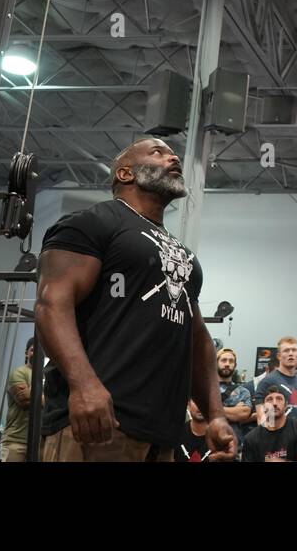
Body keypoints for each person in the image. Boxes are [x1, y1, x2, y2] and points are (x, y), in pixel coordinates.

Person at [36, 137, 234, 462]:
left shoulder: (183, 254)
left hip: (161, 434)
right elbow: (51, 304)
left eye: (173, 155)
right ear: (126, 174)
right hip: (100, 423)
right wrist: (83, 385)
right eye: (158, 153)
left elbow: (197, 339)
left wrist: (215, 415)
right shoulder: (94, 223)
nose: (173, 158)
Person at [254, 337, 297, 429]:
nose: (291, 353)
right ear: (279, 356)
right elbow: (263, 419)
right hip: (278, 439)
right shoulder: (267, 382)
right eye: (286, 350)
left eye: (294, 350)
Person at [242, 387, 297, 462]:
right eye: (269, 399)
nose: (274, 403)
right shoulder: (251, 438)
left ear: (286, 405)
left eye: (279, 399)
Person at [1, 338, 37, 462]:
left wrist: (34, 394)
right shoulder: (19, 373)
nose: (36, 353)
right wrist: (45, 396)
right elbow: (25, 401)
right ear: (26, 353)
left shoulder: (45, 375)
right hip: (15, 442)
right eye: (33, 350)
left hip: (37, 442)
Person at [215, 348, 253, 454]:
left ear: (235, 366)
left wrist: (212, 408)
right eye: (223, 360)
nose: (227, 364)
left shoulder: (242, 391)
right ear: (216, 363)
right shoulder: (206, 389)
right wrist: (233, 410)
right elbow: (199, 411)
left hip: (233, 446)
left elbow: (243, 413)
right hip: (208, 444)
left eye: (231, 361)